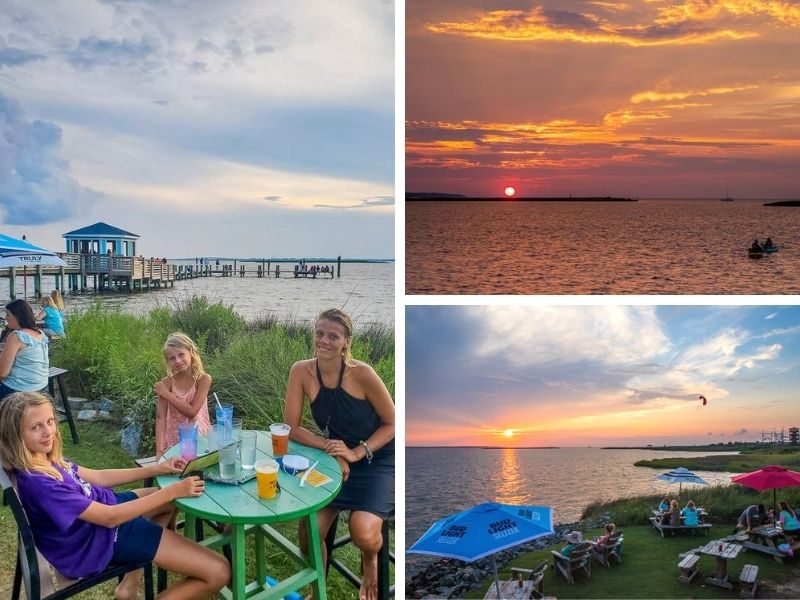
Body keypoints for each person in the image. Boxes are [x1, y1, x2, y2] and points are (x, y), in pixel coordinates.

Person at [0, 391, 229, 598]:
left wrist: (156, 468)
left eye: (50, 421)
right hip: (100, 540)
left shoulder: (44, 459)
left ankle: (129, 585)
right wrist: (172, 492)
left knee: (168, 502)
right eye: (35, 427)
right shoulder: (40, 483)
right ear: (15, 435)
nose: (48, 431)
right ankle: (145, 550)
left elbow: (98, 476)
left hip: (103, 519)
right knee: (219, 571)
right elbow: (110, 518)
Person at [283, 308, 394, 600]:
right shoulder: (301, 371)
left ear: (346, 342)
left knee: (363, 532)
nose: (324, 341)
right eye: (320, 333)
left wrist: (357, 452)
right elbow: (291, 427)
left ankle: (369, 559)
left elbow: (393, 423)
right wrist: (333, 450)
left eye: (333, 336)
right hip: (336, 458)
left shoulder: (363, 374)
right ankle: (318, 587)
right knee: (308, 533)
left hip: (378, 458)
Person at [154, 333, 212, 458]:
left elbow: (192, 411)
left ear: (191, 352)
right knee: (175, 476)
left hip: (200, 440)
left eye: (181, 354)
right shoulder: (167, 383)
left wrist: (166, 394)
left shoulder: (203, 379)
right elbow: (160, 418)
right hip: (173, 442)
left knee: (199, 475)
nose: (178, 361)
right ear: (168, 361)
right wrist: (159, 450)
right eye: (172, 358)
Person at [0, 300, 48, 403]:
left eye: (8, 314)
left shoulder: (17, 336)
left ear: (18, 316)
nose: (5, 318)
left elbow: (2, 373)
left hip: (19, 389)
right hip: (40, 385)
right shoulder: (40, 333)